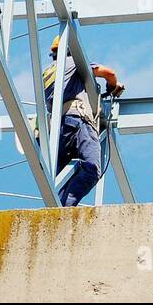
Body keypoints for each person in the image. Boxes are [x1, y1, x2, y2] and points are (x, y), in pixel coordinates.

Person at [41, 33, 124, 207]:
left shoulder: (47, 72)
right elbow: (109, 73)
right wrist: (113, 86)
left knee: (59, 176)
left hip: (58, 130)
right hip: (78, 120)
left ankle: (58, 208)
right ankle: (66, 208)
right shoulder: (73, 63)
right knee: (92, 169)